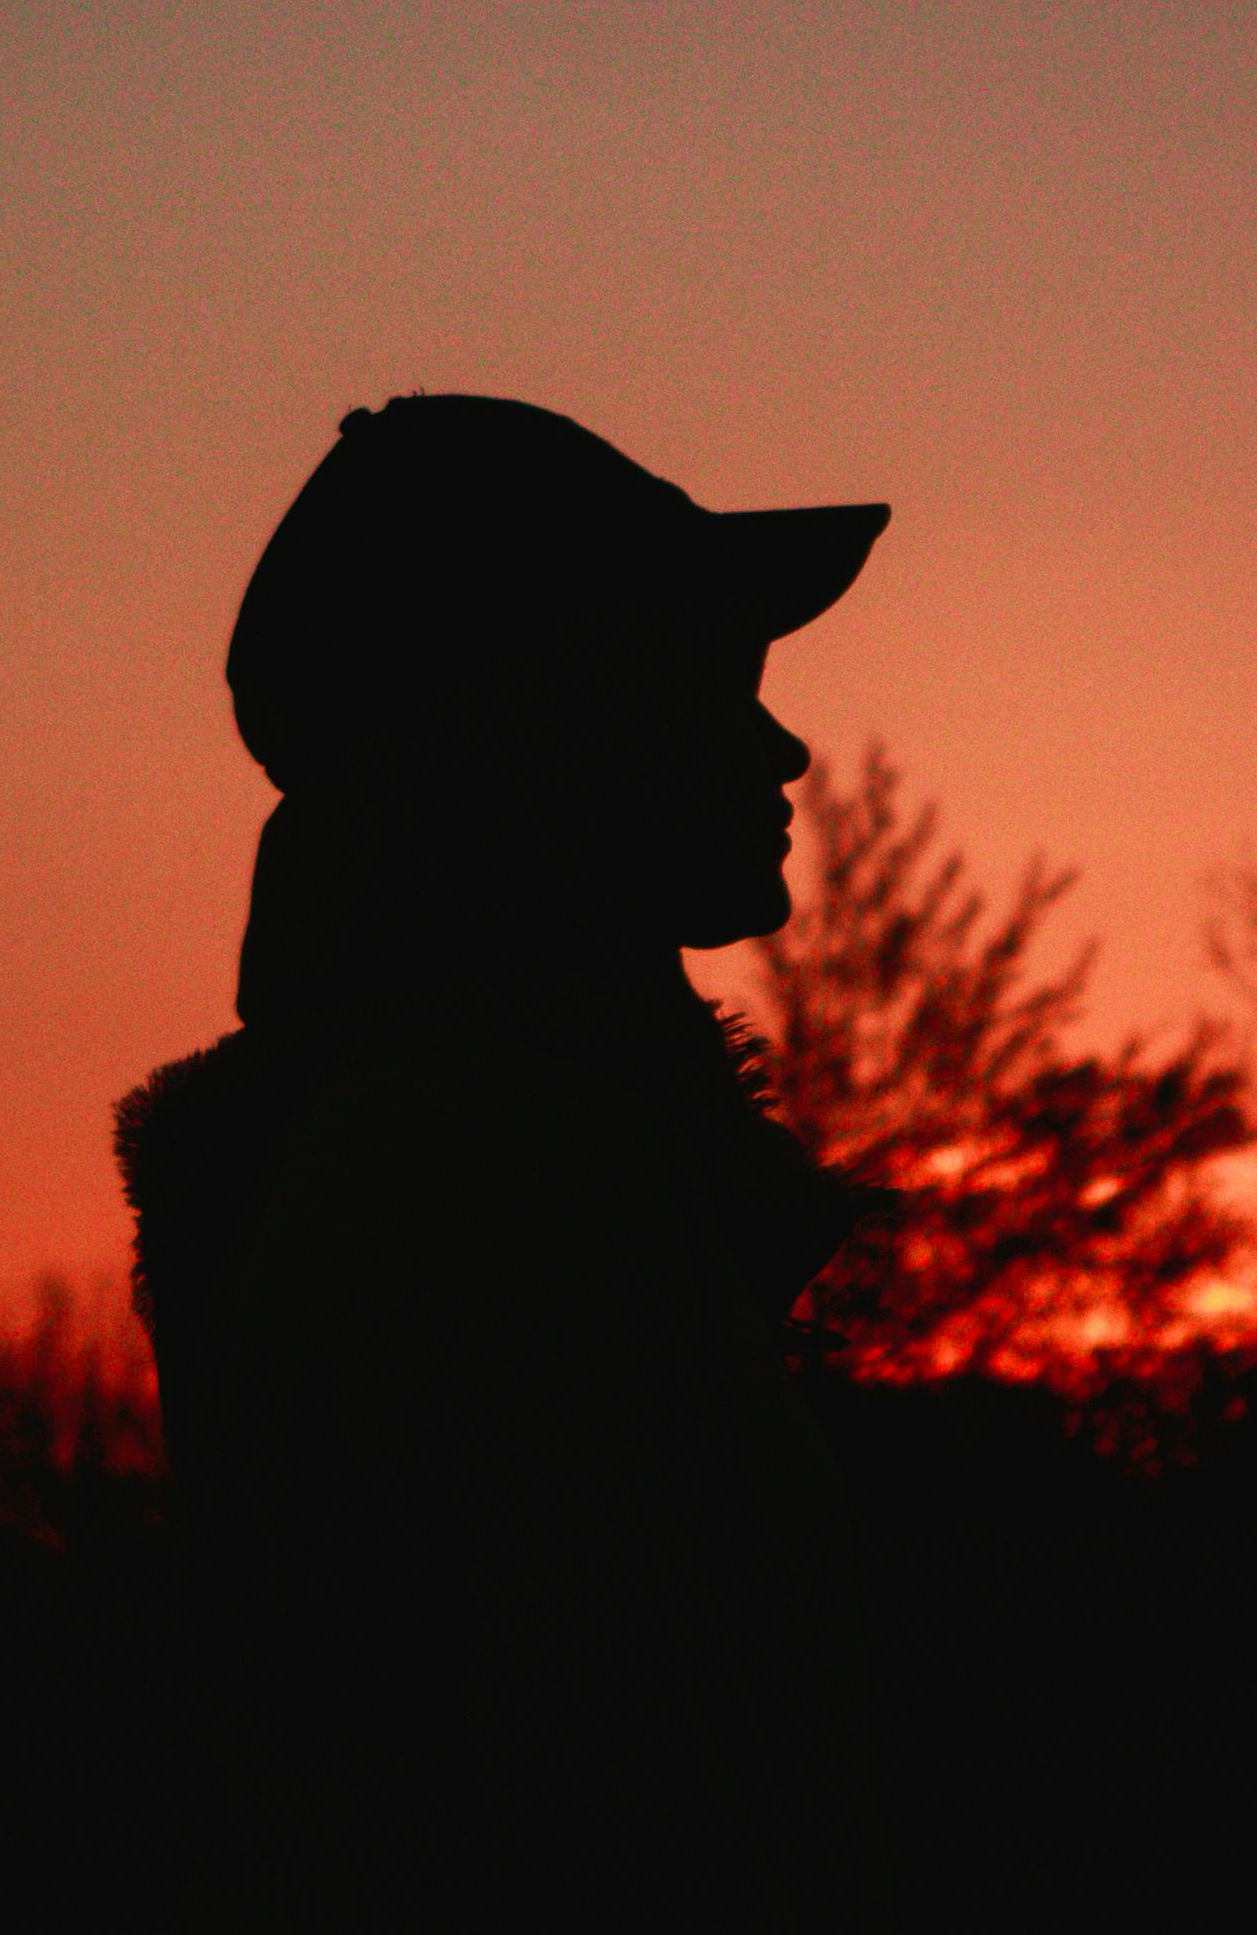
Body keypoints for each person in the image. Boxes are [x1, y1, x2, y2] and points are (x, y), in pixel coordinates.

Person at [116, 393, 894, 1928]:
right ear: (544, 721)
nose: (781, 741)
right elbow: (613, 1809)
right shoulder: (495, 1179)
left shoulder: (478, 1145)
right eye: (708, 680)